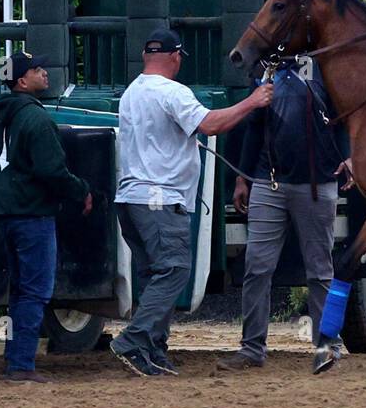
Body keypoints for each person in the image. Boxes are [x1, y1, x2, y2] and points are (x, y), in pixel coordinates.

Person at [110, 28, 274, 377]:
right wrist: (253, 100)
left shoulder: (132, 92)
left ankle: (152, 349)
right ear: (175, 56)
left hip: (129, 198)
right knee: (175, 271)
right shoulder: (173, 92)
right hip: (160, 198)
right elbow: (211, 125)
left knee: (155, 275)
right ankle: (135, 339)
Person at [217, 60, 347, 371]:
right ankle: (252, 348)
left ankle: (327, 345)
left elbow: (345, 116)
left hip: (315, 181)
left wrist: (350, 155)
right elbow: (255, 126)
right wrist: (242, 177)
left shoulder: (323, 67)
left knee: (319, 270)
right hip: (269, 180)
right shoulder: (267, 70)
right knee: (257, 267)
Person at [0, 51, 93, 384]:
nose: (45, 72)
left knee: (18, 292)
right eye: (37, 69)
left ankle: (15, 355)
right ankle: (21, 364)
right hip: (32, 217)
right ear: (23, 81)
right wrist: (81, 190)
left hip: (2, 217)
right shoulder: (37, 120)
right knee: (35, 291)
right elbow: (52, 171)